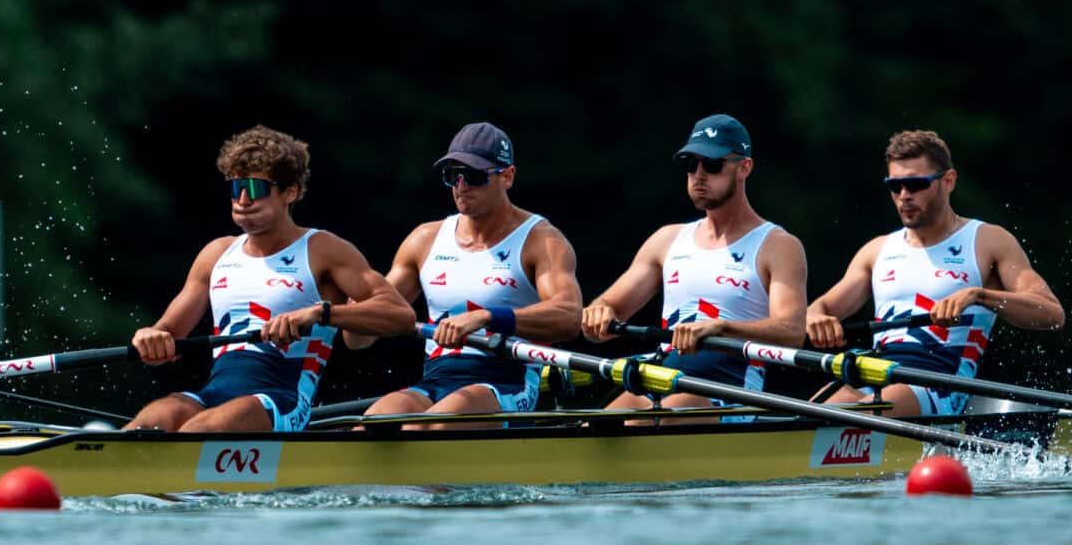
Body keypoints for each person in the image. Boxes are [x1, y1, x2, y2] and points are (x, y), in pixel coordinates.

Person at [129, 125, 415, 433]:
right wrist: (150, 336)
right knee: (151, 421)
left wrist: (321, 313)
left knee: (201, 429)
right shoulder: (216, 254)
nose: (242, 199)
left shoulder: (323, 250)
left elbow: (400, 314)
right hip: (214, 395)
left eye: (255, 189)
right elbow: (169, 333)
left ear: (290, 192)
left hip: (282, 398)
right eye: (236, 187)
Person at [803, 128, 1064, 416]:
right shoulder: (877, 250)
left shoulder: (987, 240)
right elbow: (820, 307)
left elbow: (1051, 313)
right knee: (805, 418)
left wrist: (979, 296)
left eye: (916, 184)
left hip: (940, 382)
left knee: (847, 416)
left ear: (948, 181)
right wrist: (816, 318)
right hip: (875, 373)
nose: (904, 196)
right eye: (895, 186)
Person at [351, 123, 582, 429]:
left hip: (507, 379)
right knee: (371, 426)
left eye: (473, 175)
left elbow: (569, 316)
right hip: (437, 378)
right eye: (452, 175)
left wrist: (488, 317)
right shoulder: (424, 239)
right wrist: (352, 312)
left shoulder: (542, 240)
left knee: (434, 426)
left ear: (507, 176)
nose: (461, 185)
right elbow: (358, 340)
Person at [579, 114, 808, 416]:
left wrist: (721, 327)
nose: (699, 175)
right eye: (690, 164)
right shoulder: (667, 240)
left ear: (744, 168)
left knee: (663, 413)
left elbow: (792, 331)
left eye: (712, 165)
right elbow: (604, 318)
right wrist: (599, 312)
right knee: (594, 427)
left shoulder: (778, 245)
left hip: (730, 394)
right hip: (663, 381)